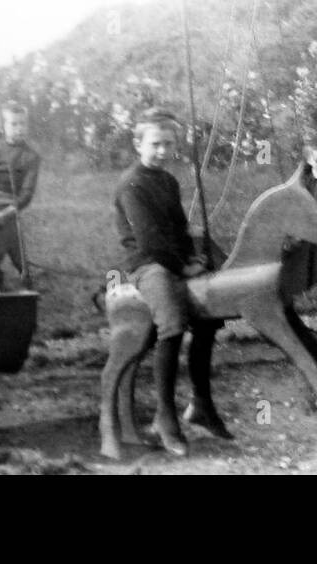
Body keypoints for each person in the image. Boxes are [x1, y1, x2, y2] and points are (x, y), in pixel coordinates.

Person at [113, 110, 218, 456]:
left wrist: (191, 258)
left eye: (168, 144)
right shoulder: (132, 184)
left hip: (174, 261)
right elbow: (150, 240)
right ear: (138, 144)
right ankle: (165, 416)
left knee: (210, 313)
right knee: (171, 324)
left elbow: (178, 227)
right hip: (148, 265)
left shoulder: (168, 181)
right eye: (155, 144)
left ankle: (201, 403)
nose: (162, 151)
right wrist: (180, 267)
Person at [0, 102, 42, 289]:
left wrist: (6, 214)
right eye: (14, 124)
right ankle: (23, 277)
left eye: (23, 124)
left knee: (7, 233)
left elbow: (26, 194)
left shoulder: (31, 156)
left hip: (9, 206)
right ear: (2, 126)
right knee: (10, 237)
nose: (19, 129)